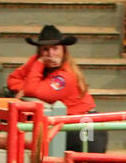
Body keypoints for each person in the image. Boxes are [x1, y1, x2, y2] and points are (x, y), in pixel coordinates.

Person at [8, 25, 105, 154]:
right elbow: (13, 79)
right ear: (39, 51)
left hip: (84, 127)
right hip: (65, 124)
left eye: (55, 48)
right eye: (45, 49)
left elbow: (33, 91)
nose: (50, 54)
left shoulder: (64, 78)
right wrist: (26, 86)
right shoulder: (36, 62)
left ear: (64, 50)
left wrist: (26, 88)